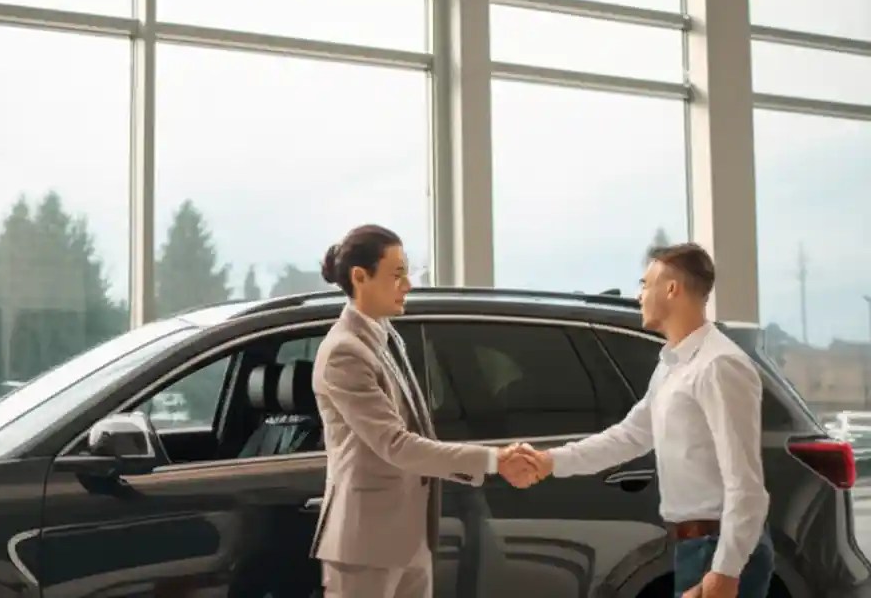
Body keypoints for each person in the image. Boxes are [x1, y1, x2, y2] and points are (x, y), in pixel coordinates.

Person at [509, 243, 773, 598]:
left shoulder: (719, 365)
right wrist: (550, 461)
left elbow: (747, 484)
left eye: (645, 284)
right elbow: (629, 436)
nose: (639, 296)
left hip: (719, 549)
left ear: (672, 288)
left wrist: (725, 571)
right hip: (695, 547)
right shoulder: (672, 365)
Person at [309, 224, 536, 598]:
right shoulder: (344, 353)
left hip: (408, 538)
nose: (408, 285)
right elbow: (397, 445)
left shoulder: (384, 335)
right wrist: (494, 460)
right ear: (360, 277)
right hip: (367, 543)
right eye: (396, 275)